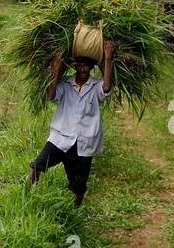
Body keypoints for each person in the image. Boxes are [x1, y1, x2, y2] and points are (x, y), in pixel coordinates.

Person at [27, 40, 116, 206]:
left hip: (84, 141)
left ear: (92, 67)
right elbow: (51, 95)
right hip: (60, 137)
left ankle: (75, 209)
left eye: (86, 66)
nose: (82, 69)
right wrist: (55, 70)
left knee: (78, 185)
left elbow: (106, 88)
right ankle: (25, 198)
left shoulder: (96, 86)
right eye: (79, 65)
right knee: (37, 166)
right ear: (74, 66)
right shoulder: (65, 84)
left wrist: (108, 58)